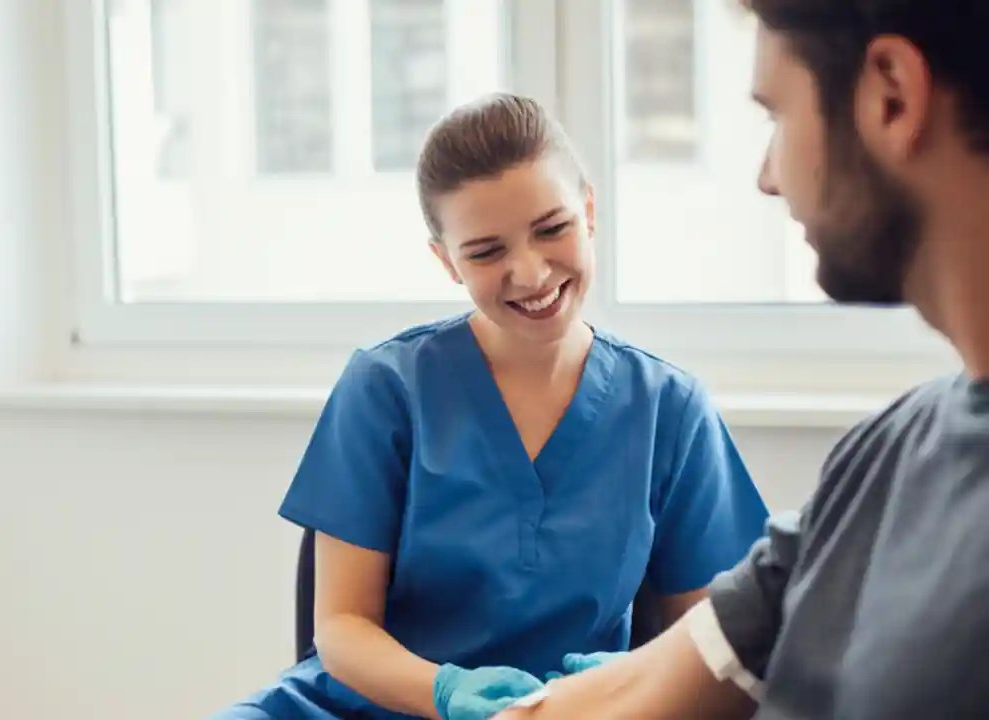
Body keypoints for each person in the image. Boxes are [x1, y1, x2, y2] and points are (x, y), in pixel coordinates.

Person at [493, 2, 989, 719]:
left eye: (777, 117)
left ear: (891, 96)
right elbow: (637, 688)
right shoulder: (887, 459)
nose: (768, 177)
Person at [210, 93, 769, 720]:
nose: (529, 273)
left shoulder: (669, 409)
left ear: (588, 211)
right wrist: (448, 694)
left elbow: (710, 645)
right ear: (446, 260)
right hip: (370, 707)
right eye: (485, 251)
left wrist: (620, 684)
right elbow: (340, 627)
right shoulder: (387, 386)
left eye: (551, 228)